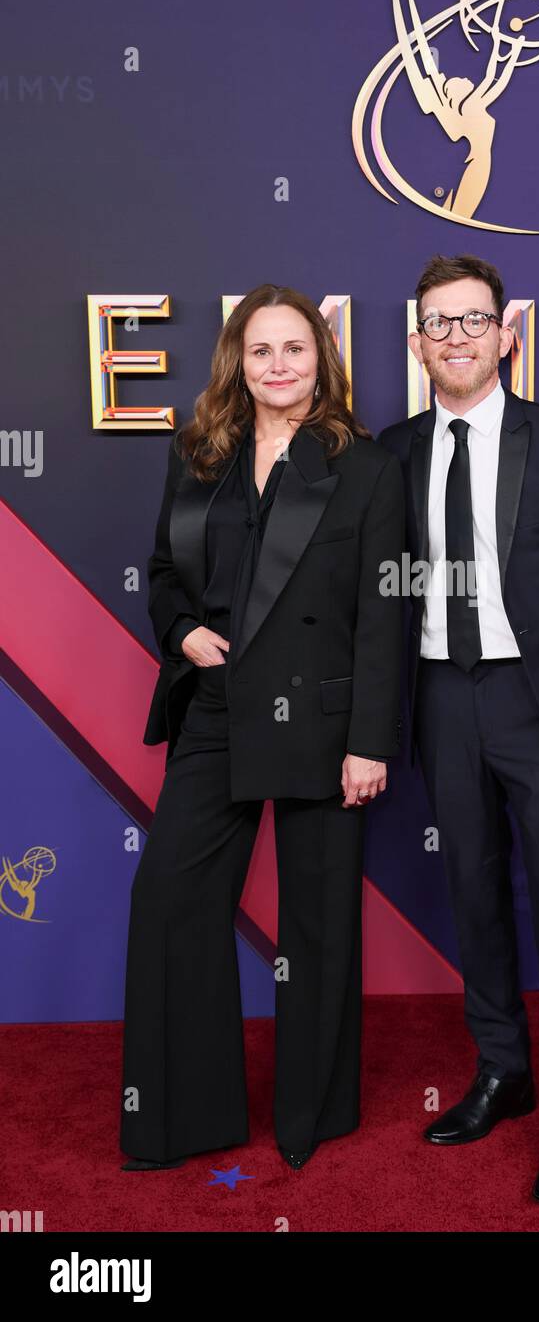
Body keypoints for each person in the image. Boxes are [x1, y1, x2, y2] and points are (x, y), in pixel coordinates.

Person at [121, 283, 404, 1171]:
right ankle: (184, 1116)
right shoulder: (198, 451)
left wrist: (369, 740)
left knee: (318, 926)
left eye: (295, 349)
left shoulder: (364, 464)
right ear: (235, 365)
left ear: (322, 360)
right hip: (215, 710)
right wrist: (179, 630)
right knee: (171, 902)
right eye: (260, 351)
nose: (278, 365)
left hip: (323, 723)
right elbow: (164, 569)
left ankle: (309, 1116)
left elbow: (382, 613)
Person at [379, 254, 539, 1206]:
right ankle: (503, 1072)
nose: (456, 337)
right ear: (416, 343)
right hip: (442, 698)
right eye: (437, 323)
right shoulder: (392, 451)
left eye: (473, 320)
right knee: (473, 896)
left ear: (506, 333)